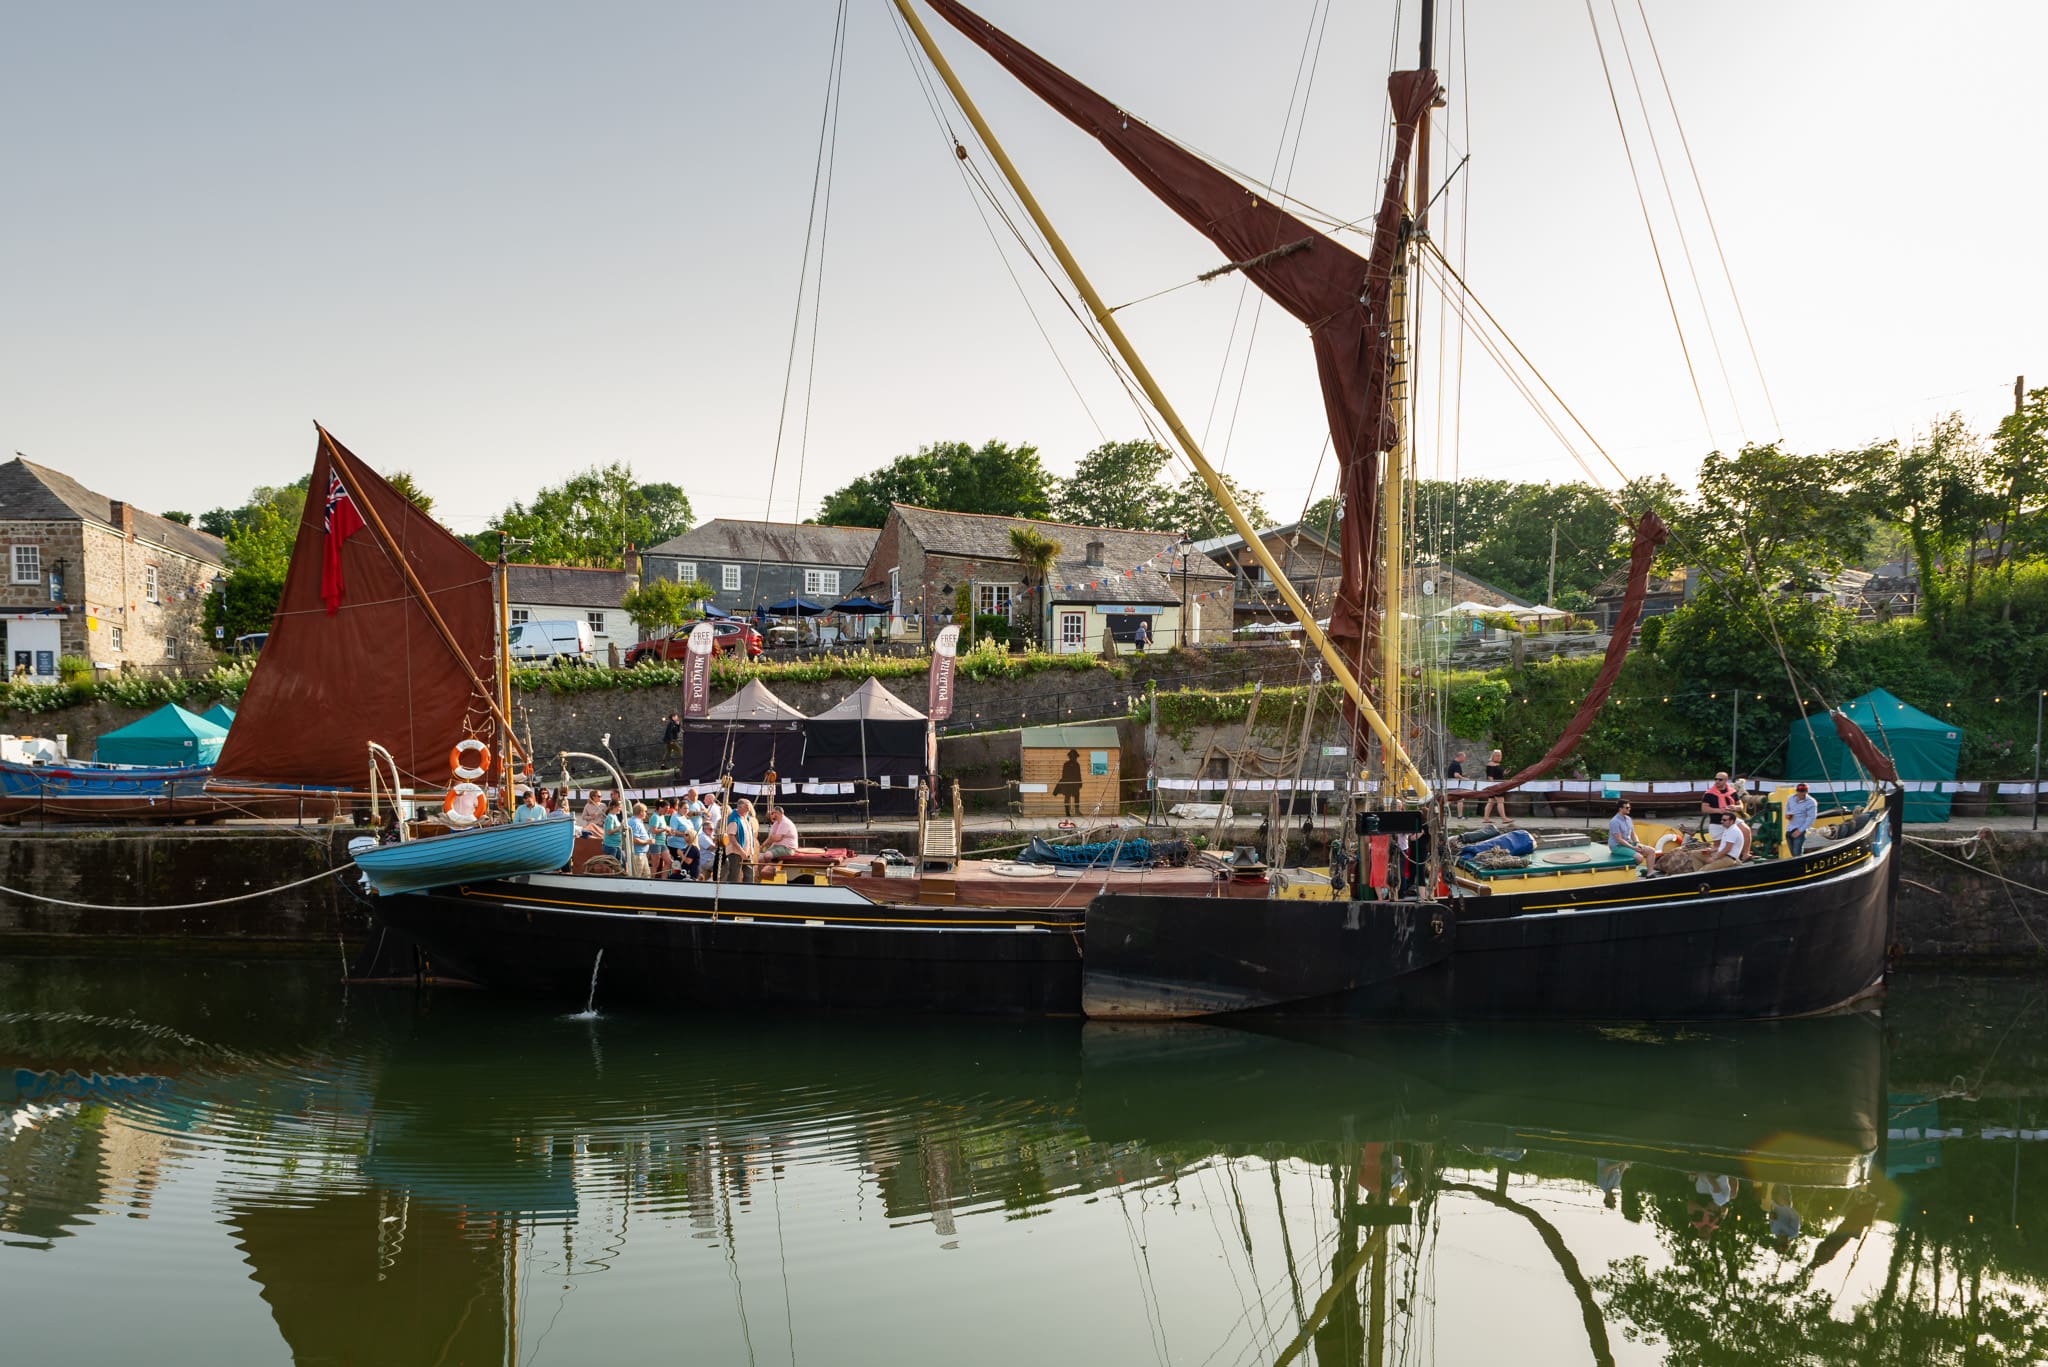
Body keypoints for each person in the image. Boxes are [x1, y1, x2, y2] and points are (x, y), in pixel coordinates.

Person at [1606, 798, 1654, 866]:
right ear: (1620, 808)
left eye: (1630, 807)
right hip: (1617, 847)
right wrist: (1633, 848)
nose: (1629, 809)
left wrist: (1637, 843)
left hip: (1628, 844)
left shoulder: (1628, 819)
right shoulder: (1614, 821)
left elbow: (1633, 834)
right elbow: (1619, 839)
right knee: (1640, 858)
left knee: (1651, 851)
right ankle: (1630, 871)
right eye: (1627, 807)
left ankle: (1650, 874)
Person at [722, 797, 757, 883]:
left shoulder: (746, 818)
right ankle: (731, 892)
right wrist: (741, 851)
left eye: (749, 807)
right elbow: (731, 837)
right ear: (740, 807)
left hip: (747, 852)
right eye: (746, 807)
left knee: (749, 874)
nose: (748, 809)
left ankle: (748, 891)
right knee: (734, 875)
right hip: (736, 852)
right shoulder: (734, 819)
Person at [1784, 782, 1819, 856]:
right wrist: (1787, 815)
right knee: (1793, 853)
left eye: (1803, 791)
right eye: (1799, 791)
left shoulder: (1811, 802)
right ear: (1796, 791)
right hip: (1789, 829)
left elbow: (1811, 818)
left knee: (1797, 854)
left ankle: (1799, 867)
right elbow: (1787, 809)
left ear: (1806, 791)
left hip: (1799, 830)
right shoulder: (1790, 798)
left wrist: (1800, 831)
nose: (1800, 793)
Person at [628, 802, 655, 878]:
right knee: (638, 877)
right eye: (645, 811)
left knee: (646, 876)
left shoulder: (636, 821)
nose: (646, 813)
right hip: (638, 855)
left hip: (641, 854)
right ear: (641, 812)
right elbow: (634, 839)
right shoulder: (635, 823)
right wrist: (648, 841)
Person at [1481, 750, 1507, 823]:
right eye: (1497, 755)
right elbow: (1490, 777)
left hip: (1498, 784)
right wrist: (1493, 786)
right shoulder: (1491, 765)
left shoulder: (1496, 765)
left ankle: (1486, 818)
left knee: (1491, 801)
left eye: (1500, 756)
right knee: (1500, 801)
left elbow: (1498, 775)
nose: (1499, 757)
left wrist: (1504, 773)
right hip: (1496, 786)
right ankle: (1504, 818)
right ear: (1493, 756)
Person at [1447, 751, 1467, 818]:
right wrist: (1464, 778)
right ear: (1460, 756)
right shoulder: (1457, 764)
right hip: (1455, 785)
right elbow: (1456, 775)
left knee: (1451, 800)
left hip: (1451, 784)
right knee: (1460, 799)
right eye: (1464, 758)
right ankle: (1460, 816)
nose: (1465, 759)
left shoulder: (1452, 763)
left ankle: (1441, 811)